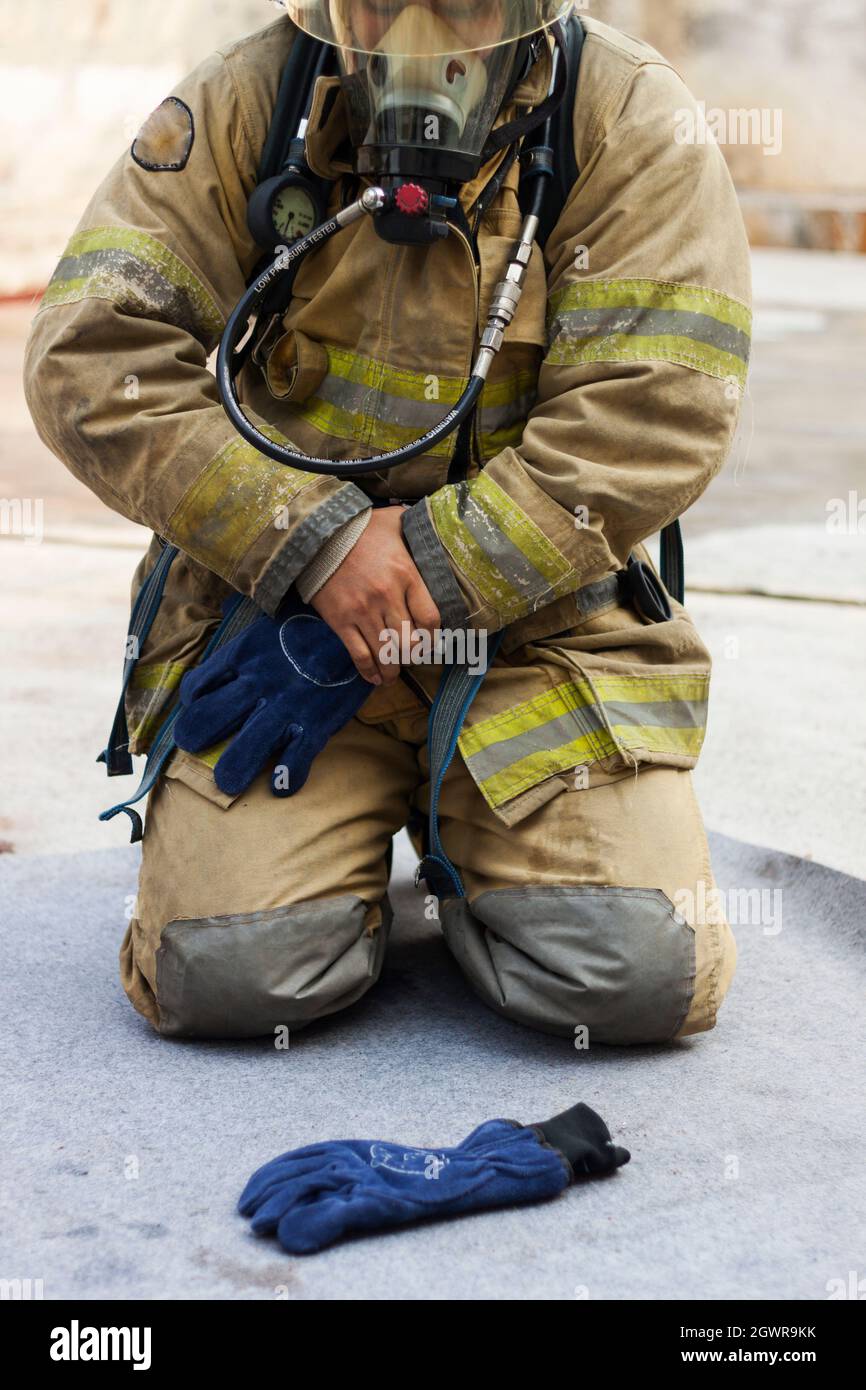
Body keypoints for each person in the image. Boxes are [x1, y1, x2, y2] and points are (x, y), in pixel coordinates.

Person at [23, 1, 749, 1044]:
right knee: (226, 971)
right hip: (281, 629)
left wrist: (410, 573)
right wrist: (309, 544)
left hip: (536, 638)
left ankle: (473, 837)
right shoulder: (247, 102)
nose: (415, 41)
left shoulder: (627, 119)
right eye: (376, 2)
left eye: (457, 4)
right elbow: (90, 354)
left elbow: (655, 413)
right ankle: (369, 831)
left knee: (630, 975)